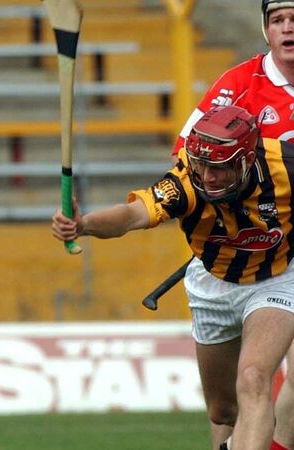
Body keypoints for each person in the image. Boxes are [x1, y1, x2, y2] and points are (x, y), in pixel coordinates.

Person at [52, 105, 294, 450]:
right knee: (224, 410)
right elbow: (130, 216)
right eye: (202, 165)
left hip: (277, 278)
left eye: (219, 168)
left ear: (244, 160)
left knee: (254, 378)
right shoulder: (185, 183)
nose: (207, 177)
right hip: (213, 283)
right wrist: (84, 224)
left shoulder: (284, 164)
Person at [171, 2, 294, 449]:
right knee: (225, 409)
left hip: (290, 263)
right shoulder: (237, 86)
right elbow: (190, 158)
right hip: (244, 252)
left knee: (269, 378)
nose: (288, 28)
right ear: (265, 28)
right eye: (278, 19)